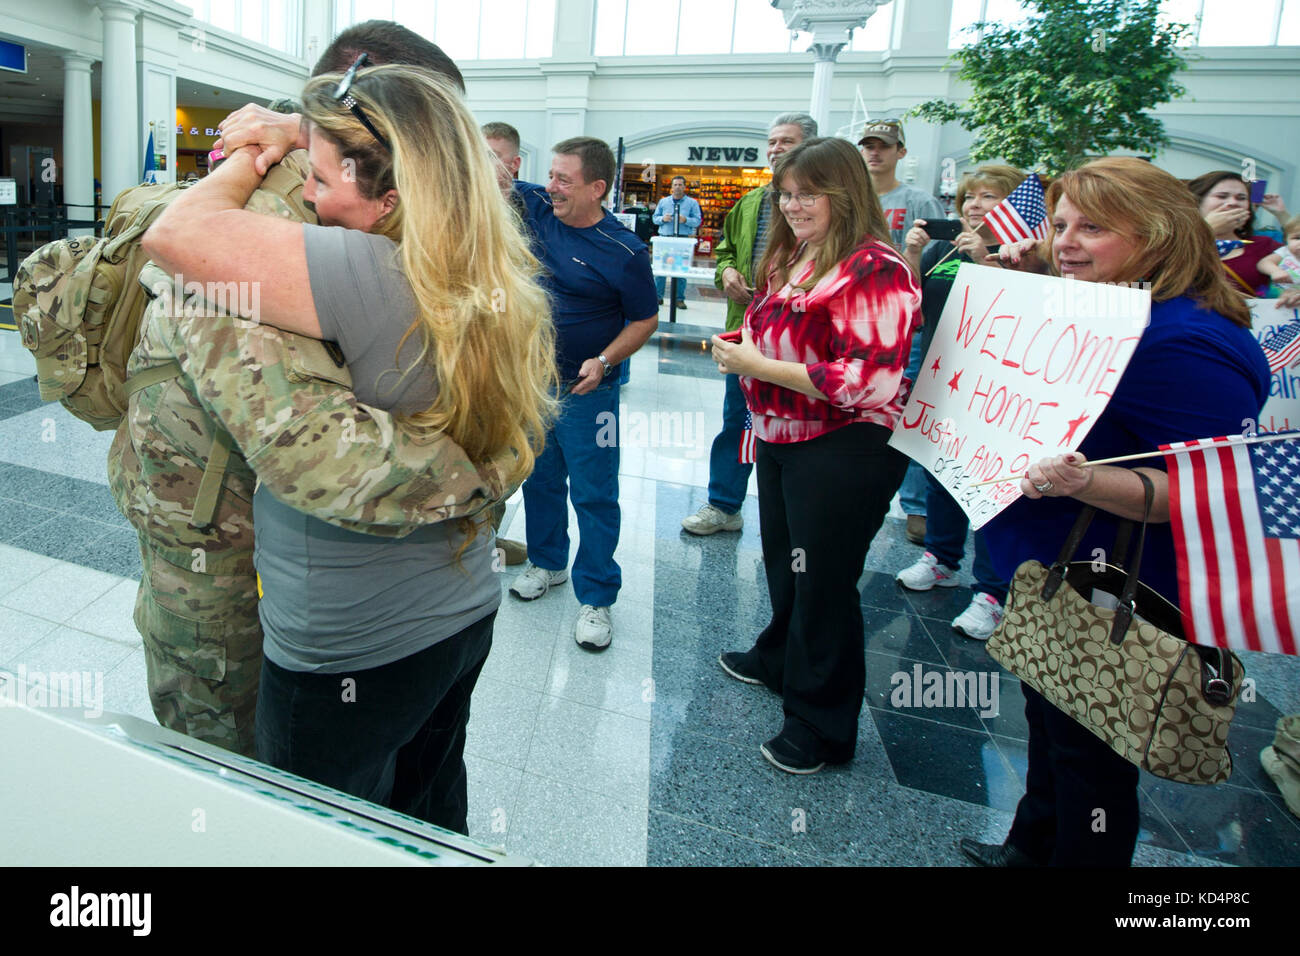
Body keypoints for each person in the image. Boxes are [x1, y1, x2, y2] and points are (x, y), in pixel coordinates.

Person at [140, 62, 556, 833]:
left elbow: (176, 235)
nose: (306, 195)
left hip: (349, 655)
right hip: (458, 617)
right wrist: (306, 131)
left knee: (316, 835)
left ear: (388, 198)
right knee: (427, 817)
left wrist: (244, 156)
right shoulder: (483, 268)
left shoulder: (366, 270)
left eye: (324, 179)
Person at [106, 20, 475, 758]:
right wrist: (485, 472)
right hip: (209, 525)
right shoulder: (274, 216)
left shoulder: (335, 188)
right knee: (224, 745)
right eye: (423, 120)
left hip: (252, 522)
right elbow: (319, 458)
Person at [961, 157, 1270, 867]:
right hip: (1058, 577)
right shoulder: (1110, 310)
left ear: (1159, 233)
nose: (1064, 240)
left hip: (1118, 593)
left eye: (1092, 227)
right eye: (1061, 223)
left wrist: (1081, 482)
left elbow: (1202, 492)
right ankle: (1030, 849)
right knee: (1053, 721)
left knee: (1091, 763)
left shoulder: (1186, 342)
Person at [711, 136, 921, 774]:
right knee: (785, 562)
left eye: (809, 193)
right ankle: (779, 659)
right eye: (787, 193)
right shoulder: (801, 252)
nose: (794, 204)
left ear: (845, 193)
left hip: (844, 448)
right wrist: (742, 343)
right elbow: (779, 329)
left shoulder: (875, 267)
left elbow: (870, 380)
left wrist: (760, 364)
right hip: (782, 437)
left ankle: (823, 726)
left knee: (824, 584)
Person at [508, 137, 659, 651]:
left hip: (589, 390)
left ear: (597, 188)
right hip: (534, 384)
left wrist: (607, 359)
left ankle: (596, 597)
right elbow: (488, 174)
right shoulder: (536, 207)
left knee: (594, 493)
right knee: (540, 479)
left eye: (564, 180)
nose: (551, 187)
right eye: (550, 175)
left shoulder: (625, 251)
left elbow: (645, 318)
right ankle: (547, 562)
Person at [893, 165, 1021, 641]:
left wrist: (989, 261)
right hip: (942, 373)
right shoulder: (945, 250)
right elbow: (911, 304)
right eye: (969, 196)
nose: (974, 204)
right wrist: (912, 254)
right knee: (940, 470)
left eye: (989, 196)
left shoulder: (1025, 256)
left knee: (988, 484)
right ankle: (942, 558)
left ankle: (993, 592)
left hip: (997, 388)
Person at [681, 111, 816, 536]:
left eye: (786, 142)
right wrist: (726, 273)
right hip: (748, 332)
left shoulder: (821, 209)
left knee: (802, 429)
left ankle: (798, 518)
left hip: (801, 340)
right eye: (772, 142)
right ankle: (724, 504)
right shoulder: (752, 202)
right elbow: (724, 250)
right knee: (737, 420)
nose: (776, 149)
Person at [858, 119, 947, 545]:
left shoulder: (920, 202)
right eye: (868, 146)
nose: (875, 153)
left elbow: (938, 266)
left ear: (900, 152)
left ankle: (914, 505)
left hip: (906, 321)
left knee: (908, 406)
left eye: (884, 146)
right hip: (857, 319)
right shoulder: (849, 198)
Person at [1187, 170, 1282, 297]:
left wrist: (1293, 293)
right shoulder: (1174, 245)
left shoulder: (1264, 245)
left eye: (1241, 198)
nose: (1233, 202)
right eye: (1222, 196)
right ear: (1198, 202)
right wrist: (1208, 231)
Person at [652, 175, 702, 308]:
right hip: (665, 238)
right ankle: (658, 297)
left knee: (681, 270)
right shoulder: (663, 202)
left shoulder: (692, 203)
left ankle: (679, 299)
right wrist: (663, 219)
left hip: (682, 240)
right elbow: (654, 218)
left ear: (685, 187)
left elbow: (698, 220)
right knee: (661, 270)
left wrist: (686, 220)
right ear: (671, 187)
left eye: (680, 185)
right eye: (675, 185)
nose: (678, 187)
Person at [1260, 215, 1300, 294]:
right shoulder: (1285, 251)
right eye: (1297, 238)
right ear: (1286, 239)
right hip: (1273, 296)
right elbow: (1263, 263)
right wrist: (1275, 271)